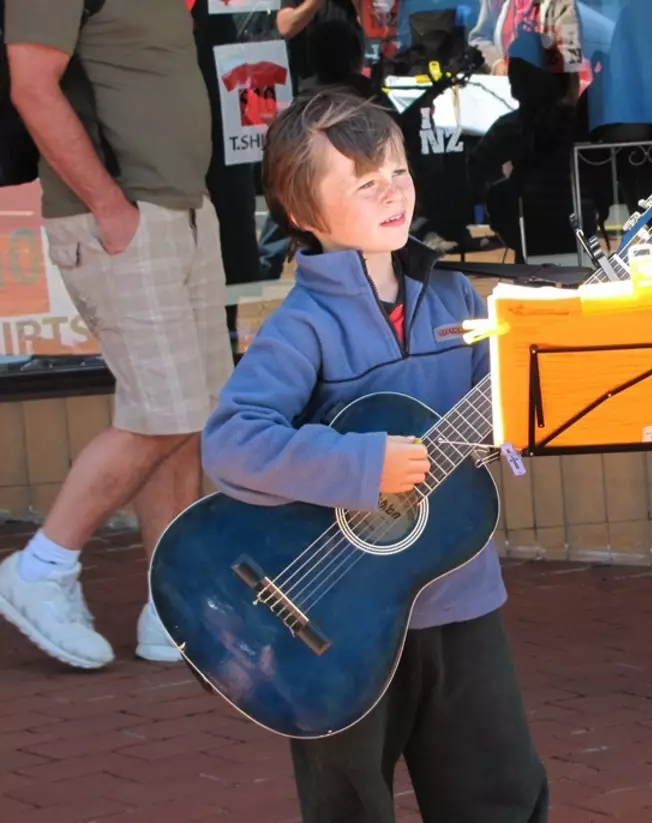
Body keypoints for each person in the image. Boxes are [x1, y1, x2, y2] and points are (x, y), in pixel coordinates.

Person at [200, 88, 548, 823]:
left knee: (503, 795)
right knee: (350, 806)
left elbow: (511, 410)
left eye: (397, 171)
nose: (392, 192)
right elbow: (232, 442)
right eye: (364, 182)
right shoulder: (303, 325)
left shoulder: (458, 300)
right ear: (301, 214)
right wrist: (362, 467)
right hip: (333, 618)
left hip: (460, 600)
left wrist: (522, 420)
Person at [0, 0, 232, 668]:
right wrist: (109, 206)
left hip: (183, 208)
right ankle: (41, 566)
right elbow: (30, 84)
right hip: (123, 219)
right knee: (166, 410)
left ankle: (170, 603)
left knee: (188, 415)